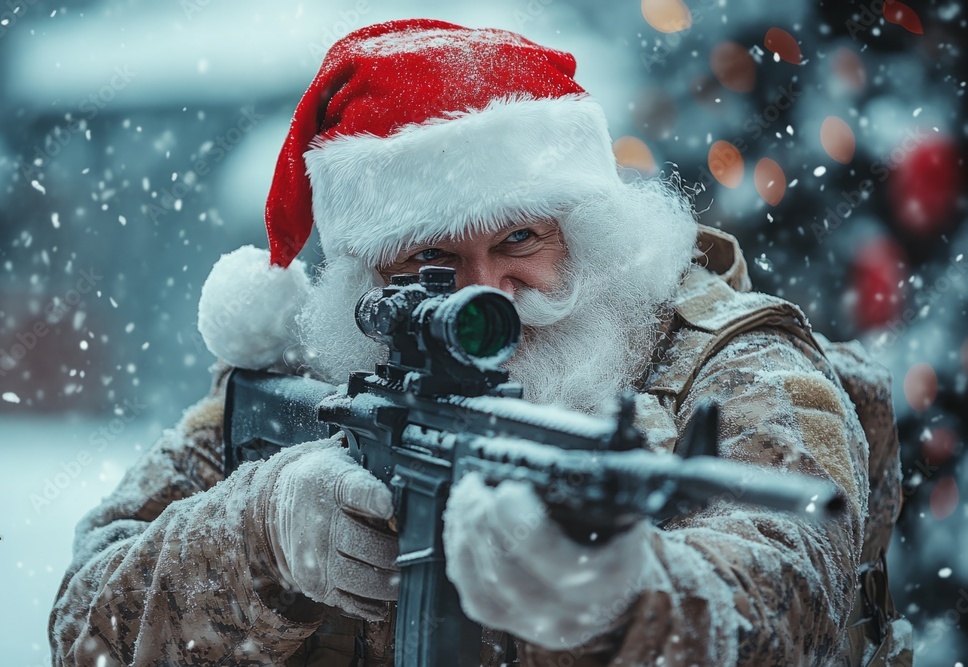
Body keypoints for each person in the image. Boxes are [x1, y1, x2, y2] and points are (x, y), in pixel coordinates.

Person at [49, 19, 911, 666]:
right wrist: (261, 535)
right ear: (368, 287)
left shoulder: (741, 365)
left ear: (583, 235)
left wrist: (621, 596)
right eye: (433, 261)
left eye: (520, 243)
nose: (483, 294)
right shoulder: (310, 384)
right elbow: (83, 627)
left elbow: (785, 594)